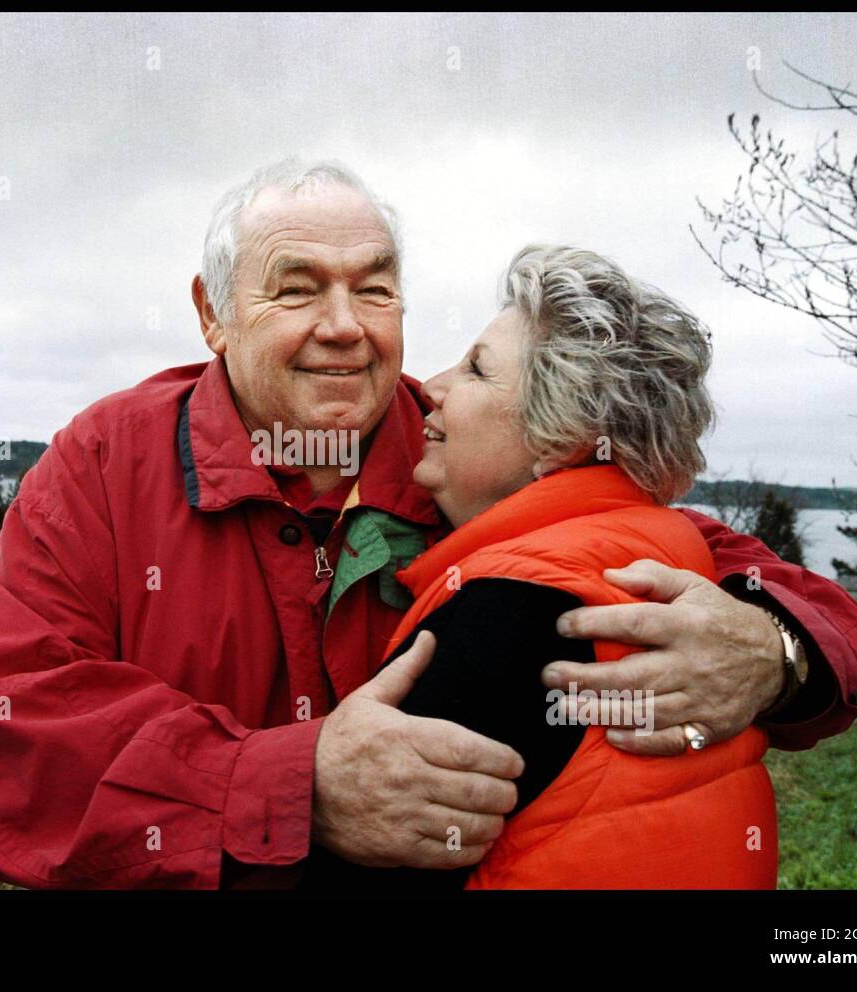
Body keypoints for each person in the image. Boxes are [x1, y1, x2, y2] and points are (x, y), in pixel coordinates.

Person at [0, 159, 857, 889]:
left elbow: (647, 527)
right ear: (213, 314)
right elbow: (24, 721)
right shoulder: (102, 467)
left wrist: (779, 649)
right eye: (296, 288)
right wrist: (294, 789)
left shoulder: (452, 452)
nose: (345, 326)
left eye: (375, 288)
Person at [305, 244, 778, 889]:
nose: (432, 388)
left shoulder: (510, 610)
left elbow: (366, 874)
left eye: (475, 370)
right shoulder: (669, 554)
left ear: (559, 439)